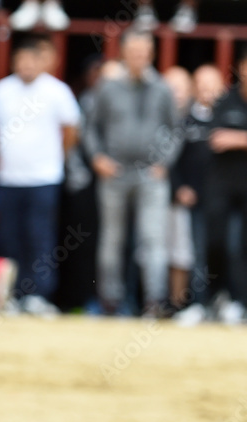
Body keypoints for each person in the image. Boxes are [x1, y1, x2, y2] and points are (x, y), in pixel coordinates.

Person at [83, 29, 179, 316]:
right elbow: (89, 127)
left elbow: (175, 130)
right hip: (114, 172)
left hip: (150, 174)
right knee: (112, 240)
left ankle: (154, 301)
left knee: (153, 238)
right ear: (124, 53)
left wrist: (165, 162)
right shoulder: (108, 87)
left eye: (145, 53)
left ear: (151, 55)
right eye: (134, 52)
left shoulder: (162, 88)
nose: (139, 58)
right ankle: (110, 302)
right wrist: (97, 157)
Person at [0, 40, 81, 315]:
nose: (27, 66)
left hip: (44, 177)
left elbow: (71, 130)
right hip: (9, 178)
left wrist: (55, 159)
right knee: (10, 237)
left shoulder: (57, 91)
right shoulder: (2, 90)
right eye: (22, 60)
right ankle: (12, 294)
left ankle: (39, 294)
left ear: (42, 62)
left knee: (40, 237)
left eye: (32, 60)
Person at [172, 65, 225, 325]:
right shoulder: (184, 120)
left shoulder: (228, 117)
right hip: (195, 201)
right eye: (201, 84)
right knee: (198, 253)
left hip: (226, 201)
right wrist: (179, 187)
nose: (207, 90)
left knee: (229, 249)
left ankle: (226, 301)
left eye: (212, 84)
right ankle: (198, 303)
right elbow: (172, 161)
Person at [201, 49, 247, 324]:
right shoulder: (224, 100)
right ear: (240, 69)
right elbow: (216, 138)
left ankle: (242, 302)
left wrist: (237, 138)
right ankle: (214, 298)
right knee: (215, 242)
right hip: (220, 184)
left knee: (244, 247)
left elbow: (228, 138)